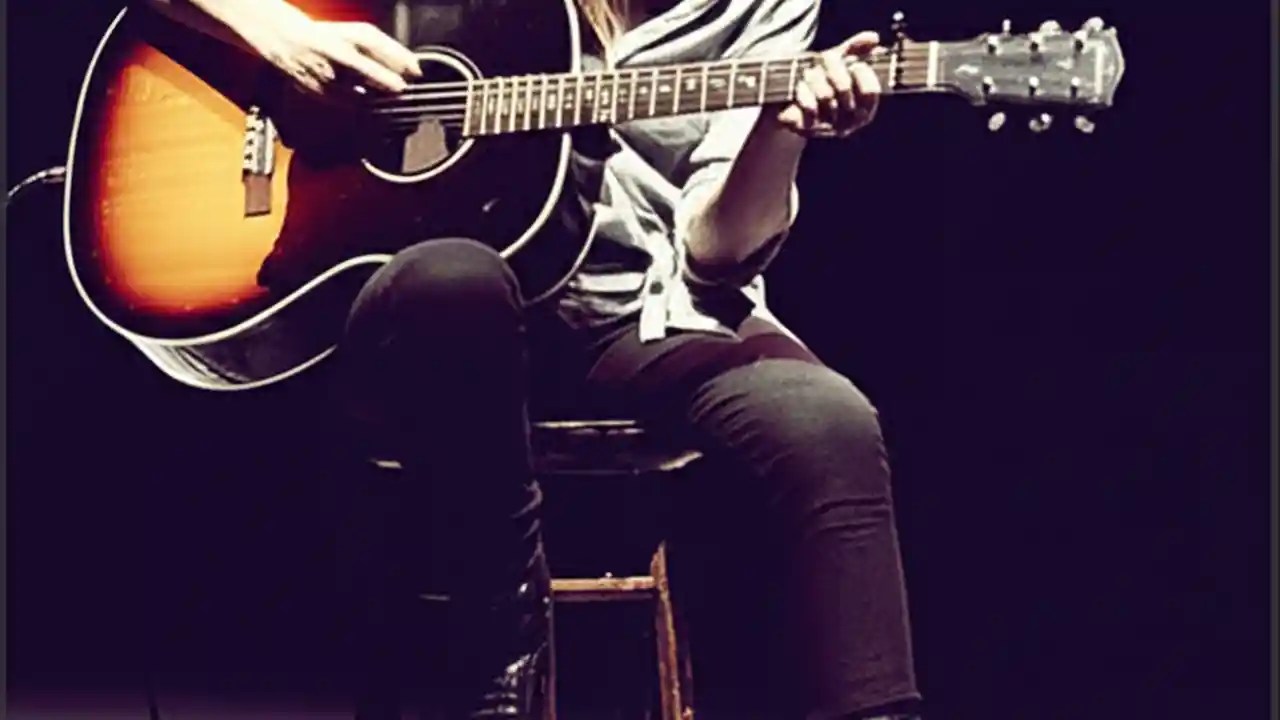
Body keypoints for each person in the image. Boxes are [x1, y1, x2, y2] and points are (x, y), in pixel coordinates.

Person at [141, 0, 923, 718]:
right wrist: (292, 39)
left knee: (827, 421)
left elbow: (714, 253)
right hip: (435, 314)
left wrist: (778, 129)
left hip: (636, 313)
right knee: (456, 281)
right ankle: (494, 663)